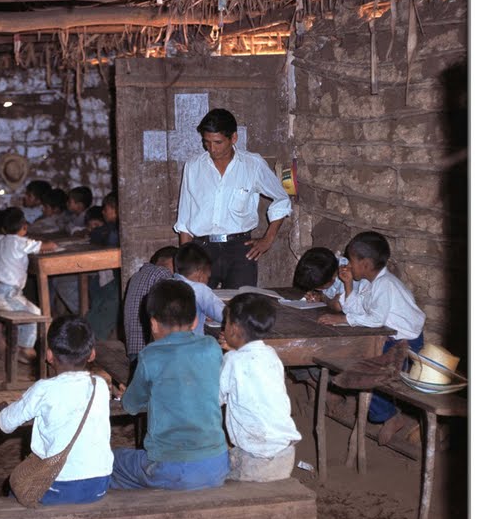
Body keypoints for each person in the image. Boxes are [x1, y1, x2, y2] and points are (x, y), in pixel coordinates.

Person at [110, 280, 228, 491]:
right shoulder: (212, 348)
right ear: (194, 321)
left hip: (170, 469)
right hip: (216, 464)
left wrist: (129, 393)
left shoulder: (149, 356)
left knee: (111, 462)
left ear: (153, 324)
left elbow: (130, 406)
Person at [317, 231, 427, 443]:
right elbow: (359, 309)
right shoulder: (369, 282)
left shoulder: (385, 284)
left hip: (406, 341)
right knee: (360, 368)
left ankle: (391, 417)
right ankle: (386, 414)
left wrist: (342, 320)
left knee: (367, 374)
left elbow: (375, 319)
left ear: (366, 264)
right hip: (386, 335)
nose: (347, 264)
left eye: (352, 260)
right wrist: (348, 285)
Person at [173, 108, 292, 288]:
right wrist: (186, 260)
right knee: (199, 305)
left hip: (240, 249)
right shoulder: (193, 167)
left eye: (218, 142)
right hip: (202, 250)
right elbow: (184, 219)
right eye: (207, 142)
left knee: (241, 306)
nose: (212, 149)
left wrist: (268, 239)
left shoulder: (253, 164)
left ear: (233, 138)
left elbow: (282, 199)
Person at [0, 316, 113, 504]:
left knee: (14, 490)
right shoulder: (100, 385)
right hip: (99, 485)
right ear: (92, 354)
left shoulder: (44, 389)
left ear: (49, 355)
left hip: (60, 486)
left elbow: (6, 423)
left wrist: (0, 410)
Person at [220, 294, 300, 482]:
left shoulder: (232, 360)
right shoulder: (271, 355)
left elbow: (215, 399)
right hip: (285, 453)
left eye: (226, 321)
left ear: (234, 328)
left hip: (254, 459)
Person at [0, 207, 59, 360]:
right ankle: (25, 348)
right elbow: (49, 246)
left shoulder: (4, 240)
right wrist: (51, 244)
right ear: (25, 226)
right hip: (5, 295)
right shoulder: (21, 242)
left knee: (32, 310)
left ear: (4, 228)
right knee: (35, 315)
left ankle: (19, 348)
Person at [122, 246, 180, 367]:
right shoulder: (162, 272)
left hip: (134, 351)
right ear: (171, 261)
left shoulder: (136, 276)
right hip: (150, 353)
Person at [172, 243, 226, 337]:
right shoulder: (200, 290)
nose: (207, 281)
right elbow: (225, 316)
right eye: (208, 277)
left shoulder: (166, 285)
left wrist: (203, 314)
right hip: (193, 347)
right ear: (200, 275)